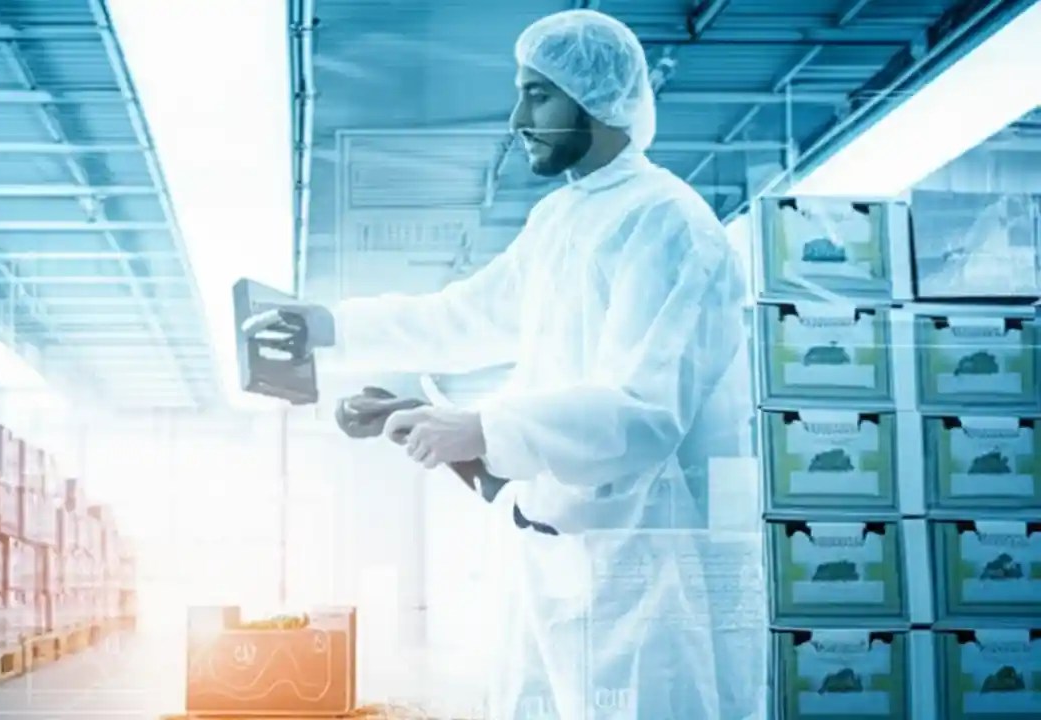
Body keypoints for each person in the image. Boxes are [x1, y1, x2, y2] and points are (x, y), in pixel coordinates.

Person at [246, 9, 763, 719]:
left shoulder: (668, 223)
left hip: (642, 568)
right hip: (548, 552)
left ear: (601, 101)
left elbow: (645, 415)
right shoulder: (561, 221)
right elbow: (464, 316)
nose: (518, 116)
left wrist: (484, 430)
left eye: (538, 94)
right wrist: (330, 326)